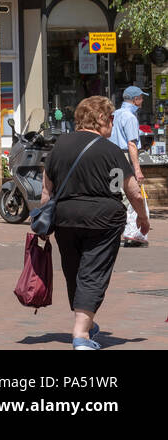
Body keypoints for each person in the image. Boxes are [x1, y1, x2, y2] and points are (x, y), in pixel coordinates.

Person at [44, 95, 151, 349]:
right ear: (101, 119)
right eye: (110, 118)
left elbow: (47, 190)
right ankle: (81, 335)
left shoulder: (59, 146)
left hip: (65, 218)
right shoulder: (111, 150)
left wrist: (44, 222)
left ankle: (86, 324)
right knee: (93, 272)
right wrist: (143, 219)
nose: (112, 124)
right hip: (103, 220)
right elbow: (133, 192)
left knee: (74, 271)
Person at [111, 86, 148, 247]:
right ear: (135, 100)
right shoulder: (130, 117)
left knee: (114, 192)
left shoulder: (115, 114)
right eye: (141, 97)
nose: (143, 100)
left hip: (111, 157)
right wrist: (137, 169)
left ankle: (114, 231)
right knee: (129, 195)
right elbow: (132, 144)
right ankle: (130, 232)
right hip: (124, 157)